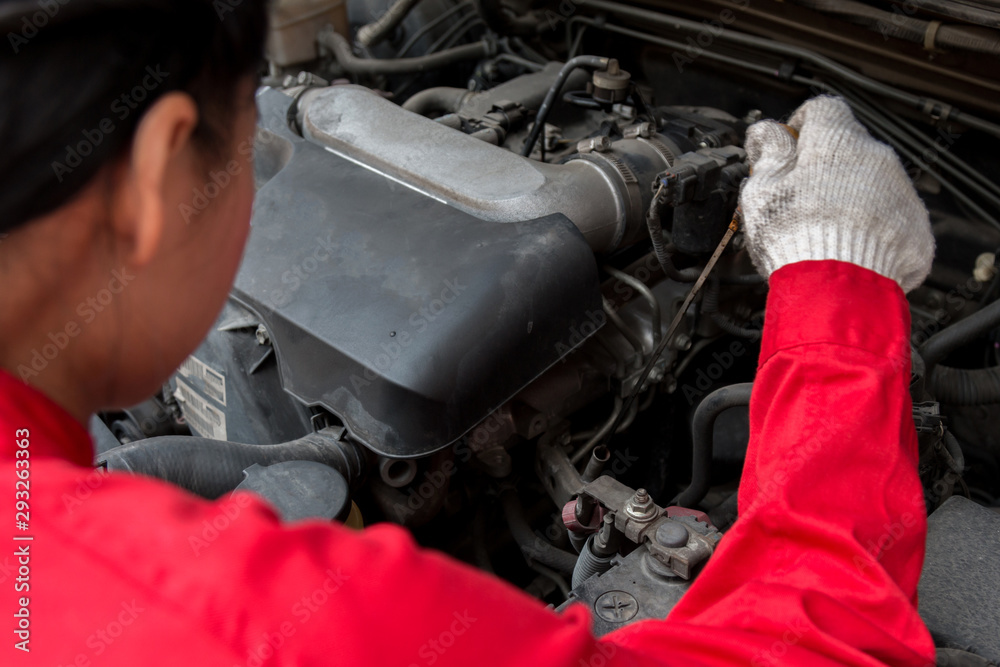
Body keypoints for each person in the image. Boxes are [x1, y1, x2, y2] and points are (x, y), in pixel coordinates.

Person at [0, 1, 937, 665]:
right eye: (251, 144)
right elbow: (821, 644)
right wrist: (838, 279)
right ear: (164, 170)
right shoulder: (277, 625)